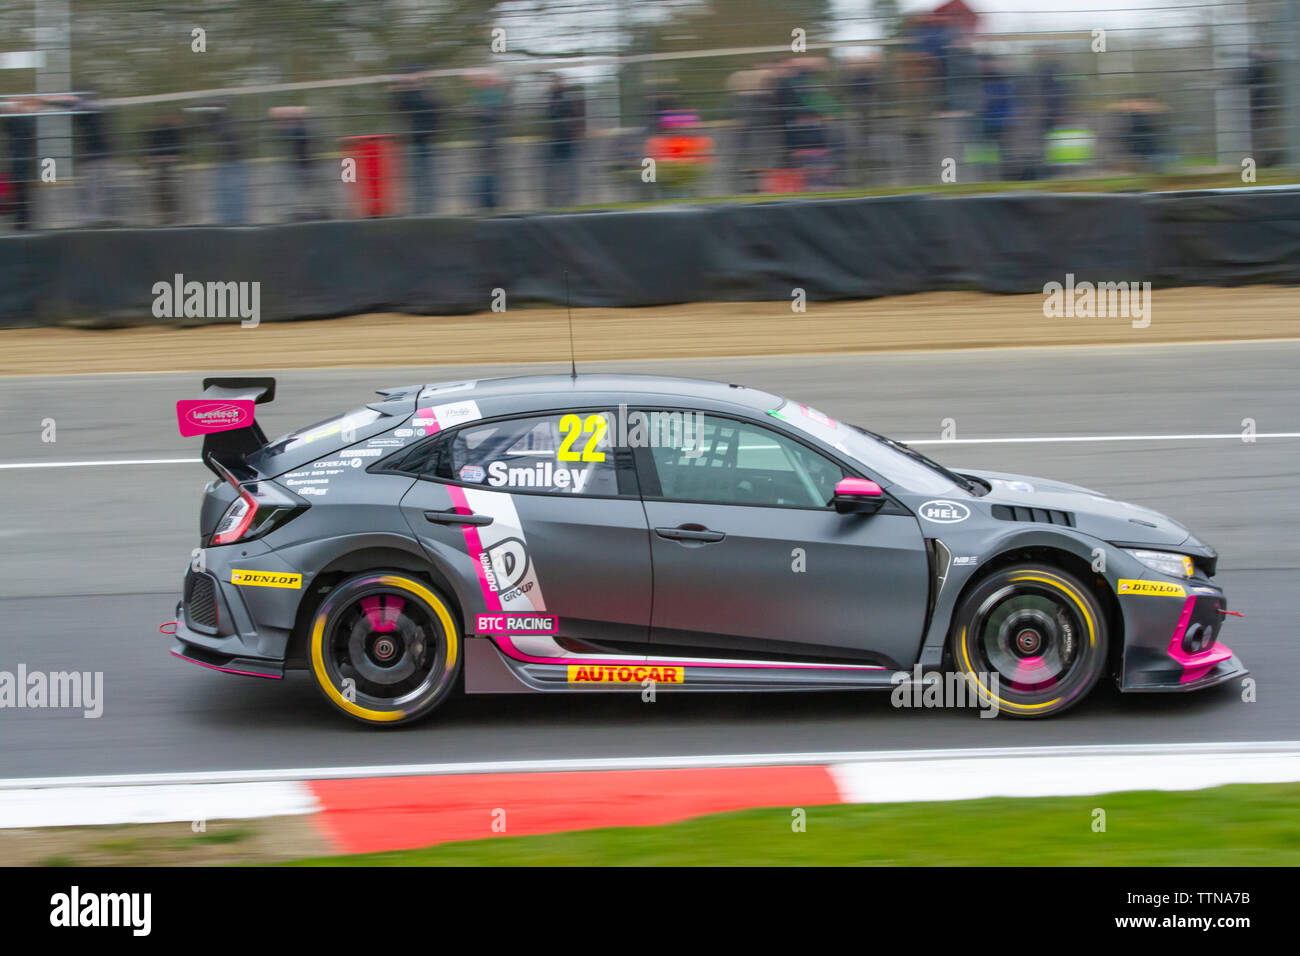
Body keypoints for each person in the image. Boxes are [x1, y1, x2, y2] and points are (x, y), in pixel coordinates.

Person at [391, 68, 442, 215]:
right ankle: (421, 210)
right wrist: (405, 87)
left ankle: (428, 210)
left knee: (427, 177)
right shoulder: (410, 95)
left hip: (426, 139)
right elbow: (399, 106)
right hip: (415, 140)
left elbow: (434, 106)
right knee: (418, 177)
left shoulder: (427, 94)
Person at [467, 70, 508, 212]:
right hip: (483, 140)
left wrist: (477, 110)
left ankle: (490, 203)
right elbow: (471, 111)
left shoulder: (495, 95)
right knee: (485, 171)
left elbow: (494, 114)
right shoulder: (480, 95)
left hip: (491, 140)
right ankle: (485, 202)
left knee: (491, 171)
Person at [542, 74, 584, 208]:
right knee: (555, 171)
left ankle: (570, 196)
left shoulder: (566, 96)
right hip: (555, 137)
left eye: (558, 81)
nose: (556, 83)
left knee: (569, 170)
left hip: (566, 137)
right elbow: (549, 113)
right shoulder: (550, 96)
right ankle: (552, 198)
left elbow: (570, 112)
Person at [1, 97, 39, 230]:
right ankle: (22, 220)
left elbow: (13, 128)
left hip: (20, 158)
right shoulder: (21, 119)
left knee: (20, 190)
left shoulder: (20, 119)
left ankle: (22, 221)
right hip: (20, 157)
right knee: (20, 189)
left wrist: (15, 111)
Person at [143, 112, 184, 225]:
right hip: (161, 162)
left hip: (166, 162)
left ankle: (170, 215)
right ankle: (164, 215)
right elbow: (151, 144)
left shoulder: (171, 130)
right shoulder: (158, 130)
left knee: (168, 189)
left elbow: (177, 146)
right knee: (161, 189)